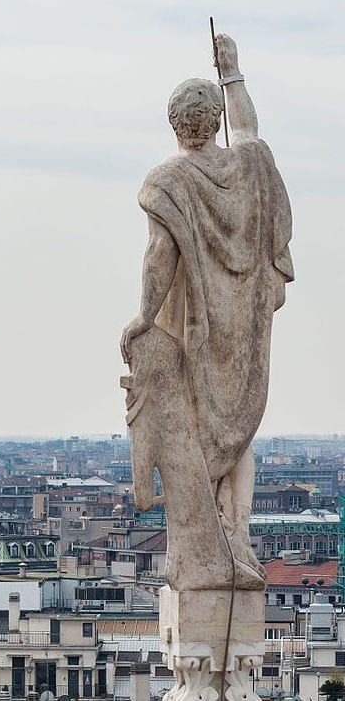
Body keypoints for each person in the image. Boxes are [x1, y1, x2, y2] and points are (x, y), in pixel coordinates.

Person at [120, 34, 293, 591]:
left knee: (196, 434)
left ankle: (206, 541)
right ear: (214, 120)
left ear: (174, 125)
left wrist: (144, 317)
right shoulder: (249, 167)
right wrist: (233, 72)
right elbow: (250, 131)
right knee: (241, 433)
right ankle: (235, 535)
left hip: (197, 330)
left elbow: (160, 255)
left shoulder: (169, 181)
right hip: (245, 330)